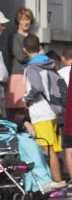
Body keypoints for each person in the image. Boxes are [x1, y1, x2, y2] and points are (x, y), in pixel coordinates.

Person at [0, 80, 65, 193]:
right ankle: (41, 182)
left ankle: (39, 183)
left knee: (27, 142)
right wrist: (22, 124)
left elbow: (0, 121)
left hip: (1, 138)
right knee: (27, 142)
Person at [21, 34, 65, 185]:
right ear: (39, 47)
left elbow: (37, 87)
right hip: (52, 110)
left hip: (41, 113)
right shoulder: (48, 63)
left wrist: (26, 99)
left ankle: (57, 183)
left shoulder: (32, 67)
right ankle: (56, 181)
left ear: (25, 49)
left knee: (47, 150)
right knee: (52, 149)